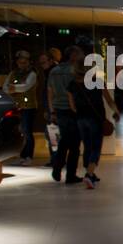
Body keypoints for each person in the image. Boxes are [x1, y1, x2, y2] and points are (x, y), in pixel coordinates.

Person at [72, 52, 117, 188]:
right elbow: (109, 100)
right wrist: (116, 111)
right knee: (96, 147)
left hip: (80, 119)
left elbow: (72, 105)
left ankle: (89, 172)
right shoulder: (97, 82)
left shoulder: (73, 84)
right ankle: (89, 175)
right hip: (96, 119)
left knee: (87, 146)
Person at [48, 45, 83, 184]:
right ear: (73, 55)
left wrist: (52, 110)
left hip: (59, 109)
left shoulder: (54, 71)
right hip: (72, 109)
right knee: (74, 144)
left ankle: (57, 169)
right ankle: (70, 175)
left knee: (64, 140)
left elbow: (49, 91)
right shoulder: (74, 71)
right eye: (79, 54)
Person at [7, 50, 40, 165]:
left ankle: (28, 156)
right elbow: (6, 88)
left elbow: (25, 87)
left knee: (27, 131)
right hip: (16, 106)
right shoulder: (13, 73)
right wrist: (14, 88)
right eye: (20, 62)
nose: (22, 64)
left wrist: (14, 88)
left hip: (29, 107)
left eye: (25, 62)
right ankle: (21, 155)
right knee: (19, 131)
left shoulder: (32, 74)